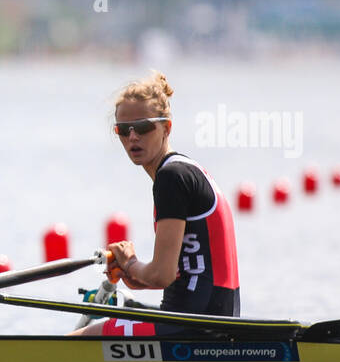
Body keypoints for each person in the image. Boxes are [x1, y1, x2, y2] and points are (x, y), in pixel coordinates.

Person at [70, 72, 240, 337]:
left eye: (144, 127)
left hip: (189, 322)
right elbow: (179, 272)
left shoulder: (171, 177)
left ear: (167, 128)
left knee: (74, 343)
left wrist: (131, 263)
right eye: (124, 130)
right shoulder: (187, 170)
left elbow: (162, 275)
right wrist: (134, 274)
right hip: (213, 317)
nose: (133, 138)